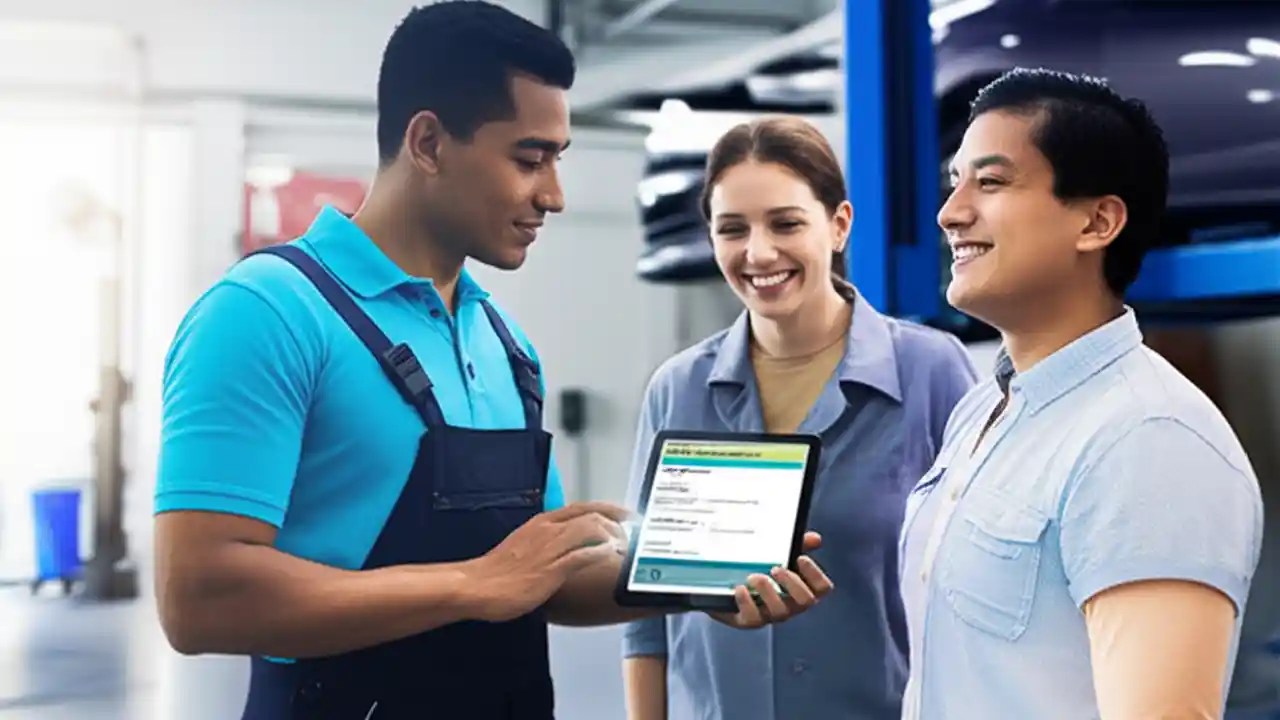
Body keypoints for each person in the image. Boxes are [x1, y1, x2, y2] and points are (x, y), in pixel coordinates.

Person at [151, 4, 831, 719]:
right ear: (428, 143)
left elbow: (542, 579)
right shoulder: (265, 313)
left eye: (558, 160)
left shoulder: (504, 343)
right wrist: (473, 583)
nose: (554, 195)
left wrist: (698, 578)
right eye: (529, 160)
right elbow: (197, 597)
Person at [899, 67, 1265, 720]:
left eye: (991, 182)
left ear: (1097, 222)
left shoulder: (1150, 440)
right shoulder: (981, 411)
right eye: (956, 182)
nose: (950, 213)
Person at [620, 116, 979, 720]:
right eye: (732, 229)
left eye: (785, 223)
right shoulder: (677, 389)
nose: (758, 252)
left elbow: (981, 585)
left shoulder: (930, 371)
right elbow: (646, 615)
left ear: (839, 225)